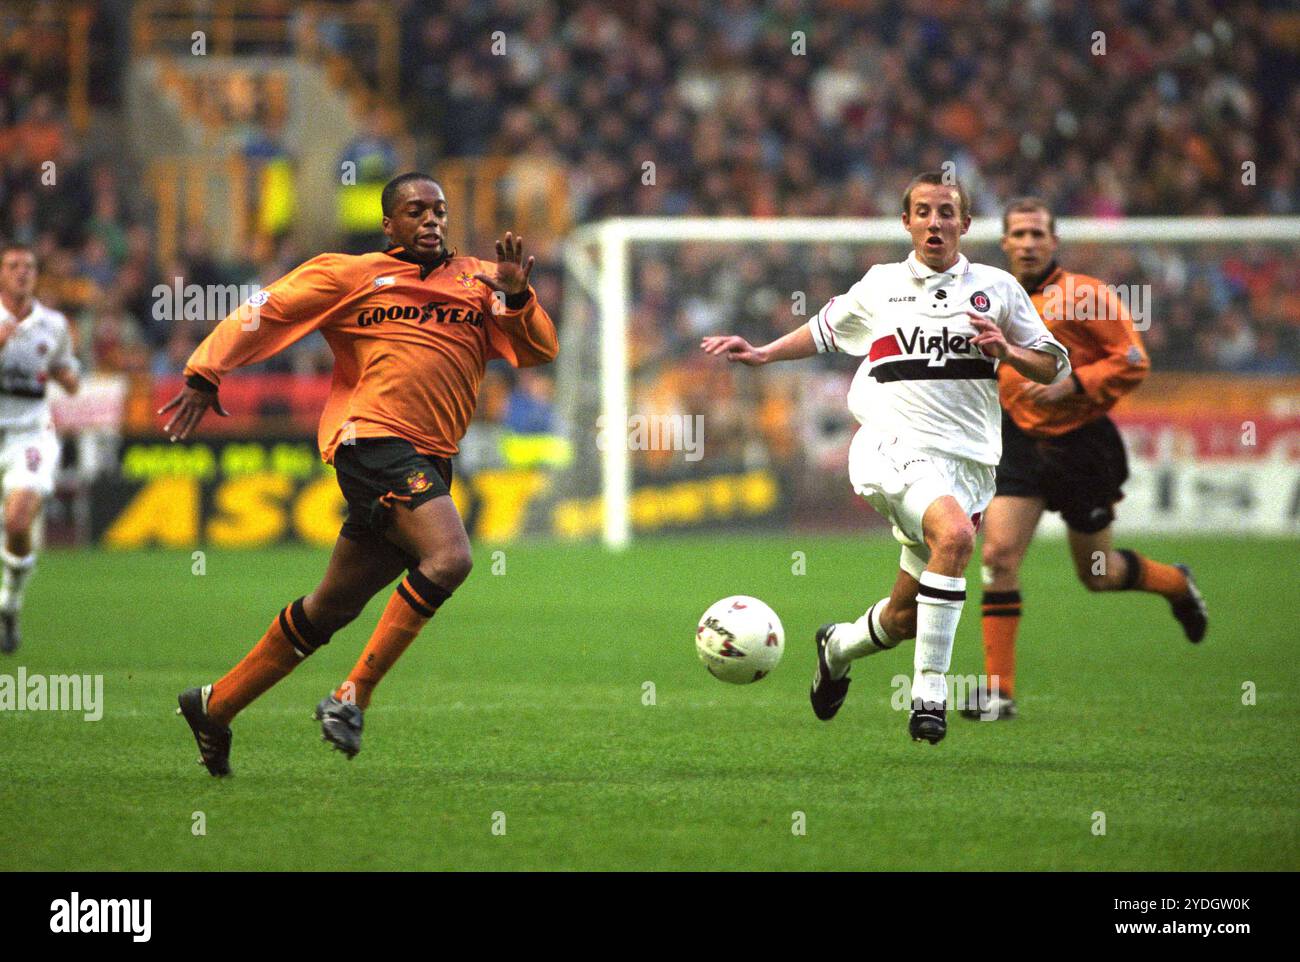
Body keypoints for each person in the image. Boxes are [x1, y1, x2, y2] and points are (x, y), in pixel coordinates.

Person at [162, 173, 558, 775]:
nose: (432, 221)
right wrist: (204, 370)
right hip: (369, 439)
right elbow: (261, 313)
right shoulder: (348, 274)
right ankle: (351, 697)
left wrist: (516, 297)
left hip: (430, 458)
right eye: (416, 211)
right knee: (450, 558)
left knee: (332, 607)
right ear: (389, 224)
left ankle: (215, 706)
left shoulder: (482, 281)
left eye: (440, 211)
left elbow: (538, 352)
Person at [702, 172, 1069, 744]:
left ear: (965, 225)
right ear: (906, 223)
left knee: (907, 617)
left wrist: (1009, 350)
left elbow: (1055, 365)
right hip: (891, 447)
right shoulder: (881, 285)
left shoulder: (998, 289)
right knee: (956, 538)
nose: (935, 222)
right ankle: (929, 696)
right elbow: (825, 331)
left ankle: (837, 648)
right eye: (922, 211)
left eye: (946, 212)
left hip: (969, 468)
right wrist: (763, 353)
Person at [961, 198, 1208, 722]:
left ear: (1054, 242)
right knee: (998, 558)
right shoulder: (987, 295)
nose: (1027, 243)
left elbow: (1134, 359)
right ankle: (998, 693)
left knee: (1097, 575)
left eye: (1037, 234)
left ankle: (1175, 583)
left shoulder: (1086, 296)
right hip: (1019, 443)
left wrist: (1073, 383)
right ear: (1003, 242)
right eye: (1018, 234)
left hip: (1081, 446)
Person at [0, 242, 82, 653]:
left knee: (16, 524)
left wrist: (67, 377)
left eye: (29, 266)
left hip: (30, 434)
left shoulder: (53, 325)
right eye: (13, 265)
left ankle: (9, 604)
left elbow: (69, 372)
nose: (22, 272)